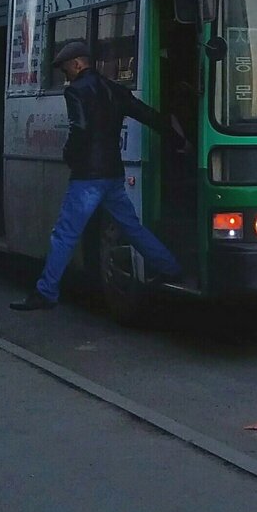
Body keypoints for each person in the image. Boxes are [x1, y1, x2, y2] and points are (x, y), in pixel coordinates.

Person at [11, 41, 185, 311]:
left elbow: (79, 128)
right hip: (113, 173)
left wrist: (70, 155)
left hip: (87, 177)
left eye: (66, 68)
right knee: (131, 227)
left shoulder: (76, 92)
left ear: (78, 63)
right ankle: (171, 268)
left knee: (65, 233)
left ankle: (46, 292)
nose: (64, 74)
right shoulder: (114, 89)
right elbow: (147, 115)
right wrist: (175, 138)